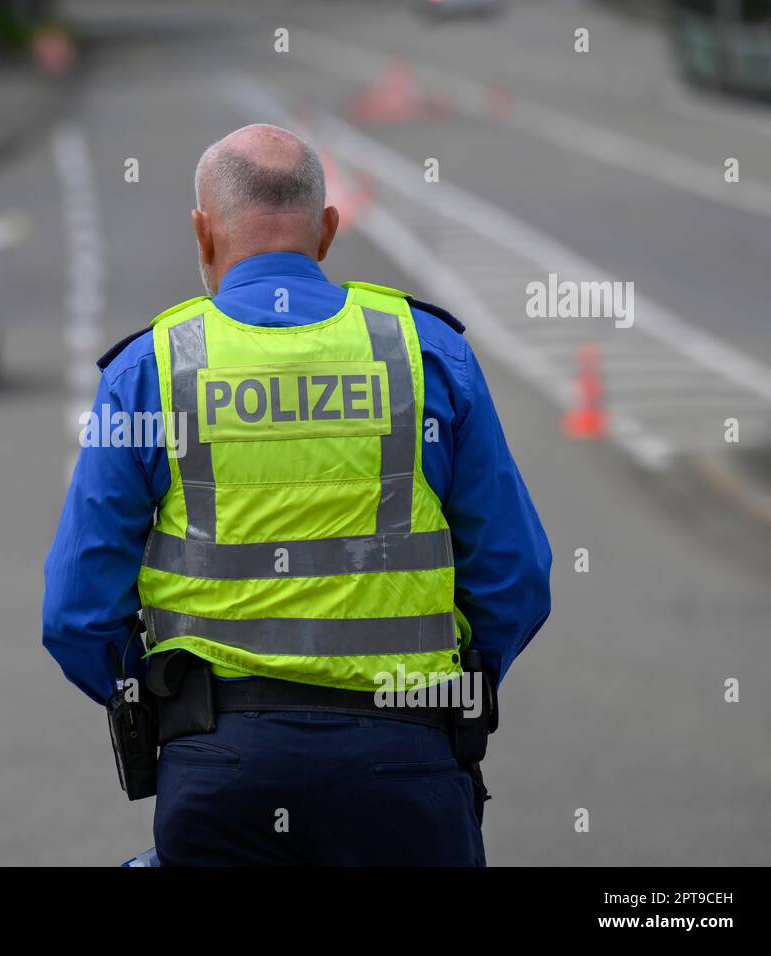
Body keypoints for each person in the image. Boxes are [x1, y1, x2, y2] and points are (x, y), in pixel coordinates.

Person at [42, 124, 552, 866]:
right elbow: (515, 578)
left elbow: (77, 613)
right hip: (407, 766)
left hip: (222, 773)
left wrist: (161, 704)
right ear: (328, 231)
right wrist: (443, 688)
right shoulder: (427, 353)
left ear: (202, 234)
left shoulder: (151, 370)